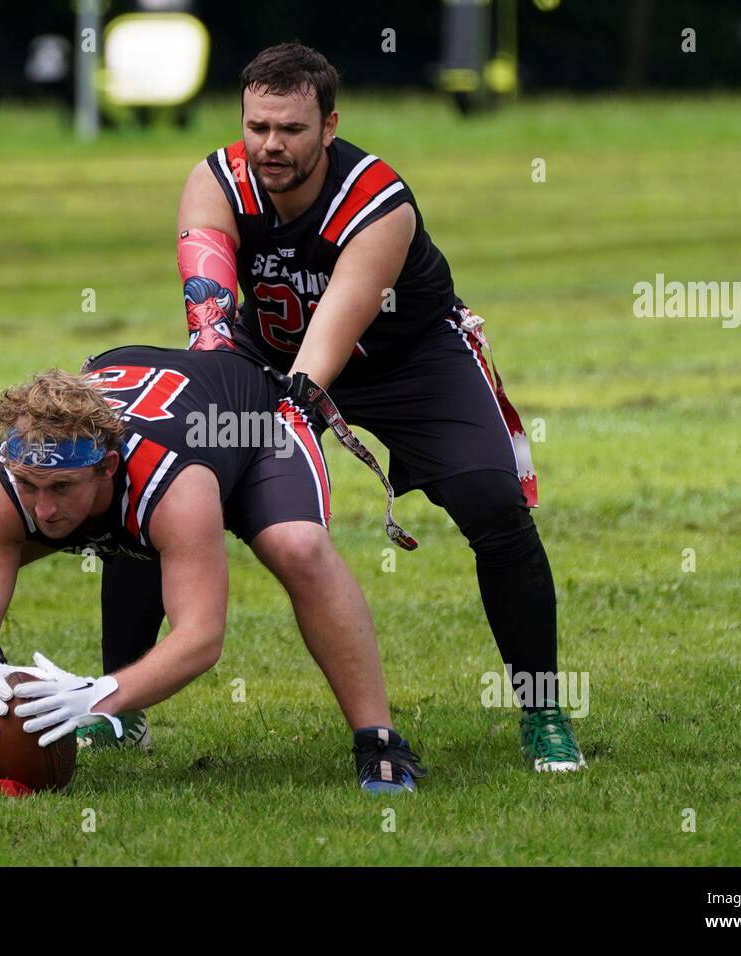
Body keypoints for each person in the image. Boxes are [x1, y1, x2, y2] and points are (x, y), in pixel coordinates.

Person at [99, 43, 585, 772]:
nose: (271, 144)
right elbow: (210, 322)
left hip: (405, 361)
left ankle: (543, 709)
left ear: (329, 127)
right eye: (258, 126)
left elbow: (330, 339)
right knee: (155, 476)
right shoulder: (215, 181)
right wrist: (210, 411)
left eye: (291, 129)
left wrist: (286, 401)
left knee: (492, 503)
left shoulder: (377, 200)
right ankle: (119, 706)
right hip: (262, 355)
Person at [0, 344, 426, 793]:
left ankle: (381, 743)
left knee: (297, 546)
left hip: (251, 425)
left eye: (61, 487)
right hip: (147, 411)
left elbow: (201, 637)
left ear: (108, 468)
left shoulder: (175, 485)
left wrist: (100, 695)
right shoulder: (3, 477)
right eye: (30, 485)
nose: (43, 508)